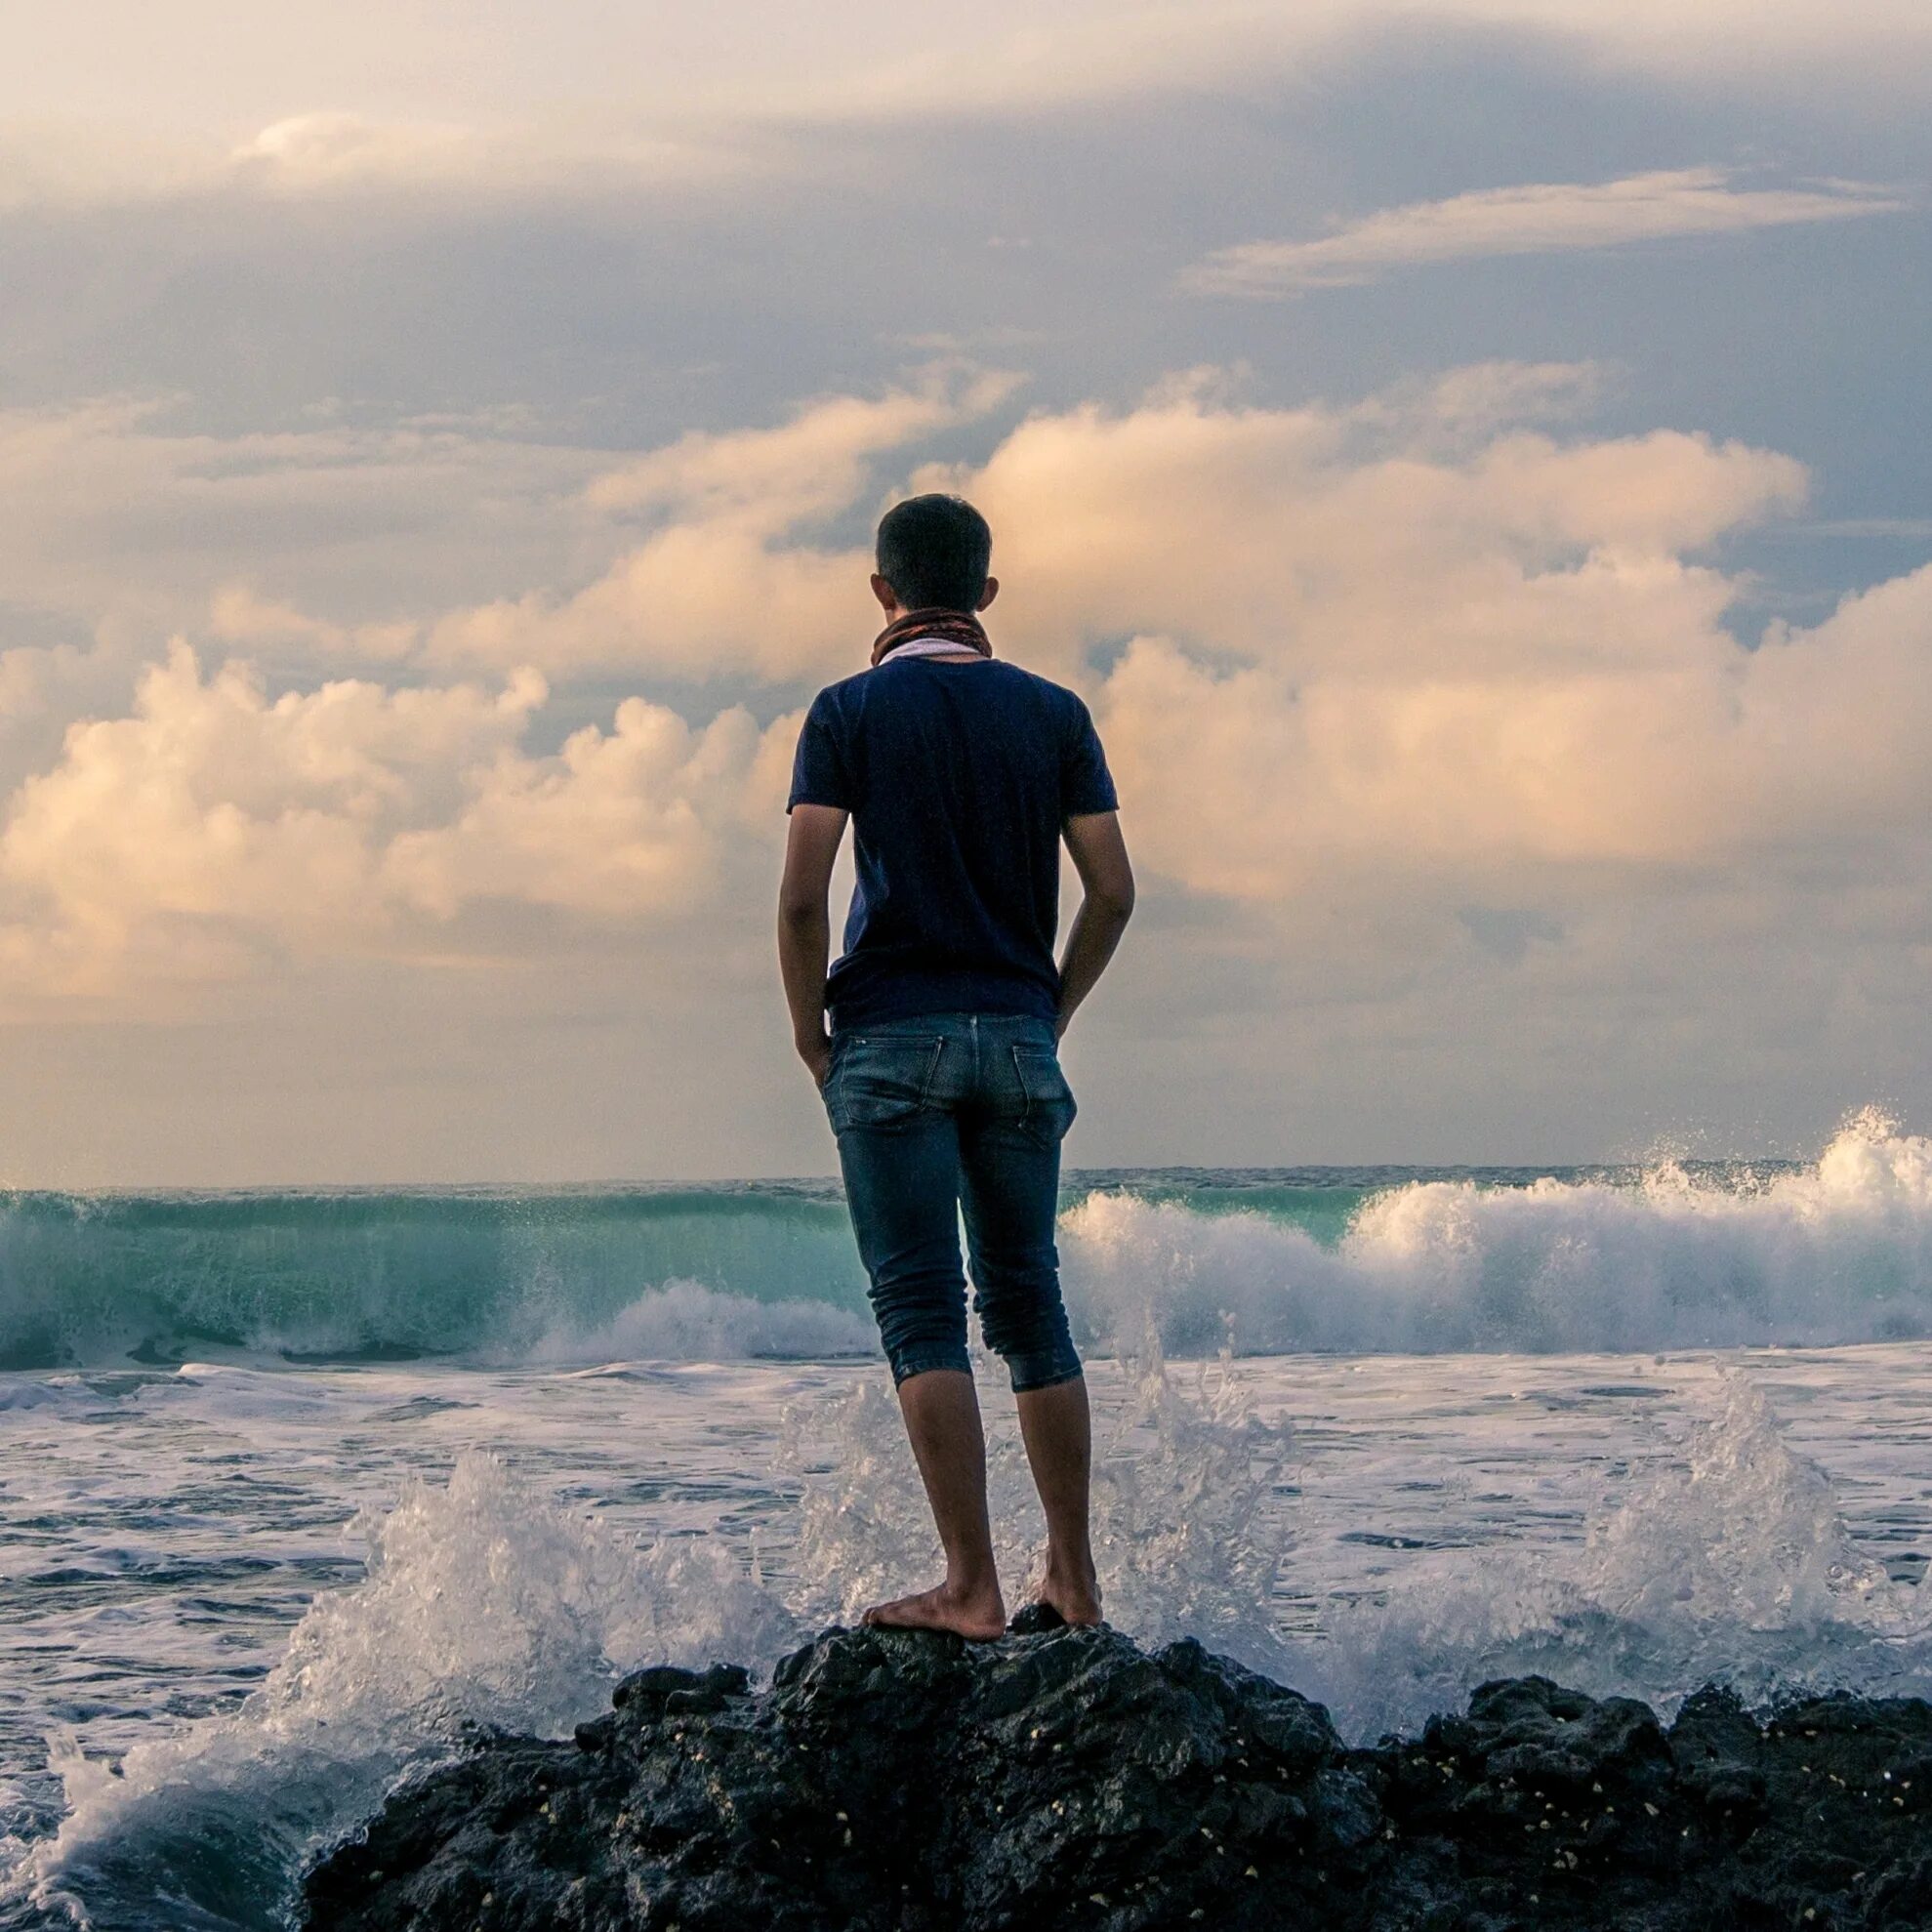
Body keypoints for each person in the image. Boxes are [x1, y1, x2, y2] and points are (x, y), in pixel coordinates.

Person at [777, 493, 1135, 1640]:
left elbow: (799, 896)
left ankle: (969, 1584)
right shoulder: (1053, 712)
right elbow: (1113, 889)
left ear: (881, 593)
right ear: (985, 594)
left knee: (921, 1308)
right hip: (1018, 1034)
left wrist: (808, 1035)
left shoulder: (845, 711)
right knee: (1031, 1309)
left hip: (888, 1033)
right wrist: (1049, 1007)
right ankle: (1070, 1581)